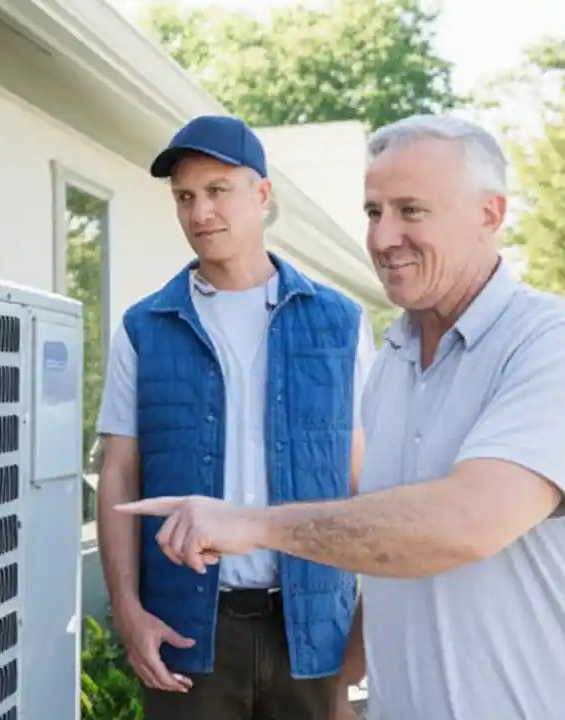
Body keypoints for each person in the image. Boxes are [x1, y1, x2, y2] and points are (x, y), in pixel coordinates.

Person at [117, 114, 565, 720]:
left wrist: (252, 525)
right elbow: (382, 539)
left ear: (491, 214)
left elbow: (466, 523)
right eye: (373, 212)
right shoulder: (394, 364)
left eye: (412, 211)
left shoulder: (554, 345)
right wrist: (345, 676)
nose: (384, 238)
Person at [94, 113, 376, 719]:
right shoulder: (144, 327)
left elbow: (362, 480)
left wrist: (363, 626)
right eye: (185, 197)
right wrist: (126, 610)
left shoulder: (342, 324)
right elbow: (119, 473)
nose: (200, 213)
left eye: (218, 191)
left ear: (263, 195)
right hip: (188, 636)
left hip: (310, 631)